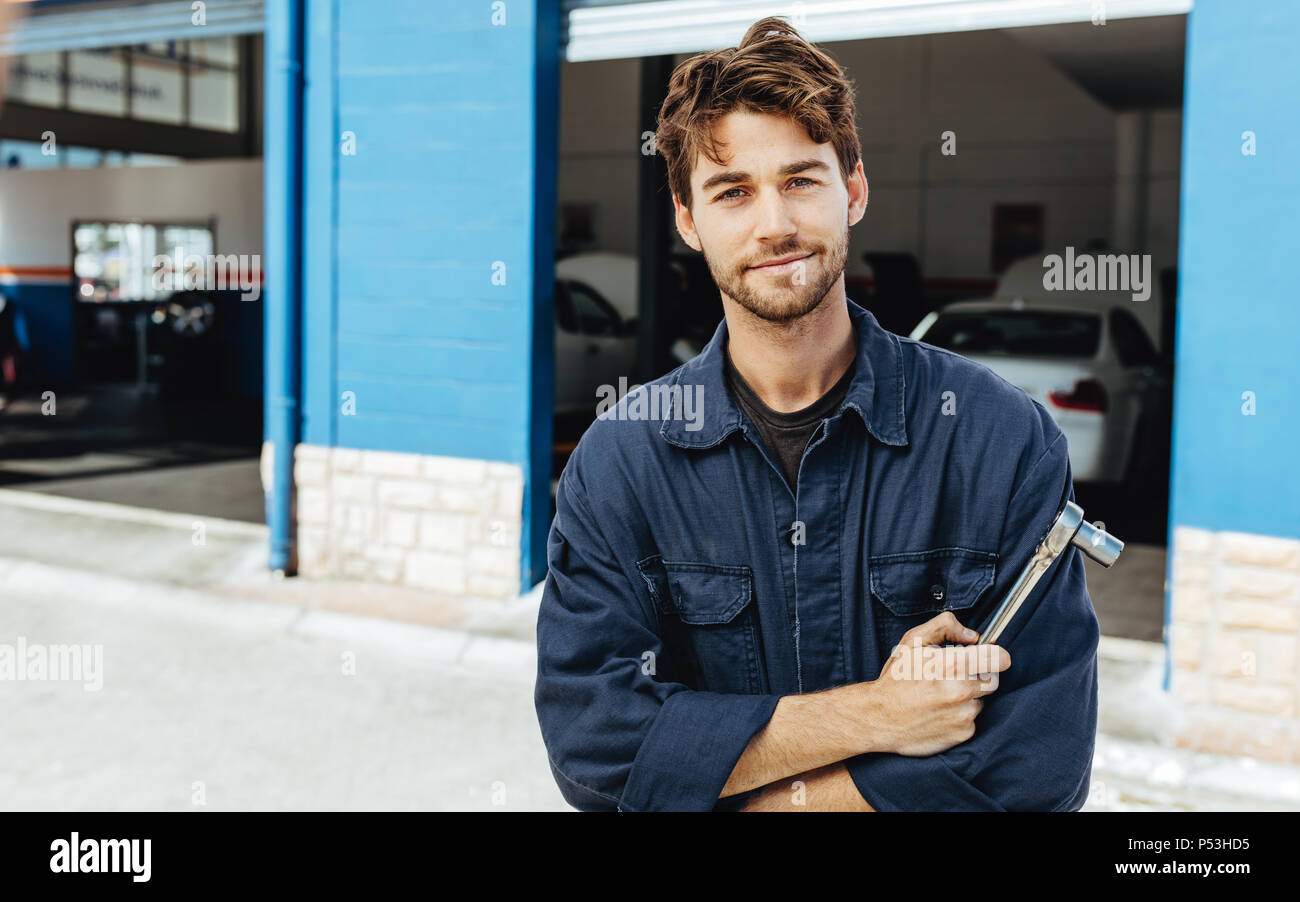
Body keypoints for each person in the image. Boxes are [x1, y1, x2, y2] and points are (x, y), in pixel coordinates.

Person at [533, 17, 1099, 812]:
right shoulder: (620, 463)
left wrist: (708, 786)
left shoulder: (998, 440)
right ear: (688, 220)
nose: (774, 225)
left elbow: (1037, 770)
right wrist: (877, 715)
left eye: (800, 179)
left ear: (854, 189)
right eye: (733, 192)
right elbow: (595, 748)